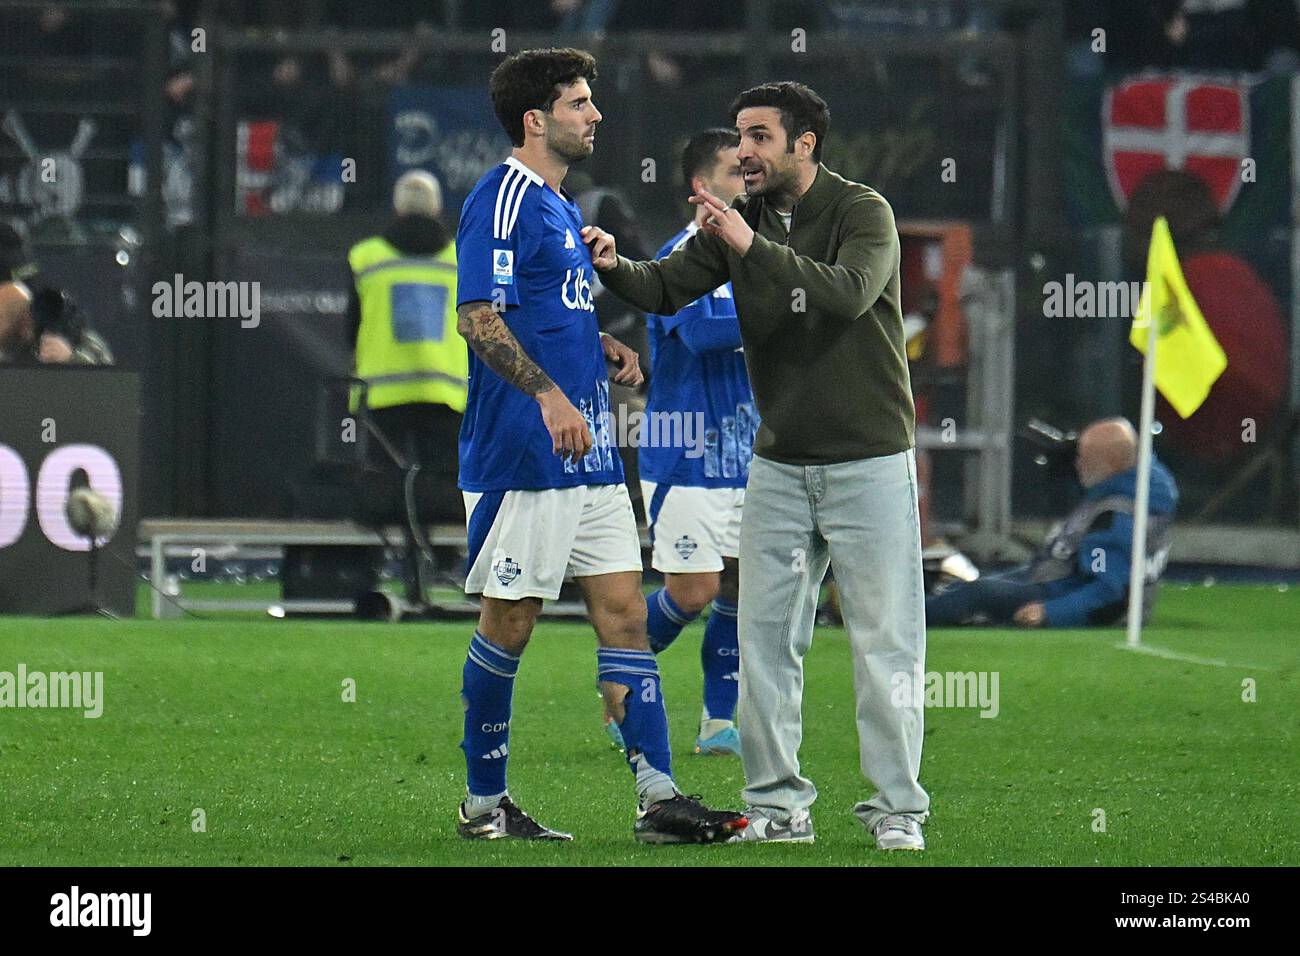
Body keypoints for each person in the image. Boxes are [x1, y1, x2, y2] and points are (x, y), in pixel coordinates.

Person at [585, 81, 929, 851]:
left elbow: (844, 296)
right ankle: (777, 807)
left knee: (886, 641)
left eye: (760, 136)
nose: (744, 150)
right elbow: (666, 288)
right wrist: (614, 264)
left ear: (805, 144)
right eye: (741, 135)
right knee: (765, 641)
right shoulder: (740, 223)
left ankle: (897, 810)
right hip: (776, 460)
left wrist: (746, 246)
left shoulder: (861, 212)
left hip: (868, 457)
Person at [451, 47, 746, 844]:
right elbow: (477, 315)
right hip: (522, 454)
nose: (596, 114)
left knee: (623, 613)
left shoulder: (557, 204)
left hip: (586, 454)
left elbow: (544, 312)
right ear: (536, 119)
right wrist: (548, 392)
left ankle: (659, 799)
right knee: (509, 621)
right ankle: (484, 807)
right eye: (581, 102)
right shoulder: (502, 197)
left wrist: (596, 352)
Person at [612, 128, 753, 759]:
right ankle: (620, 683)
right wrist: (787, 312)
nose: (747, 179)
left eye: (751, 169)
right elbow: (698, 333)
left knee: (743, 590)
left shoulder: (760, 256)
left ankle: (717, 721)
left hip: (747, 452)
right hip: (685, 449)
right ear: (702, 186)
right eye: (733, 170)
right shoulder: (682, 256)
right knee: (693, 590)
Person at [927, 418, 1179, 628]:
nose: (1077, 464)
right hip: (1054, 580)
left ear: (1111, 464)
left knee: (976, 592)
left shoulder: (1113, 516)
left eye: (1083, 457)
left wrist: (1051, 612)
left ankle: (908, 618)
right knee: (973, 582)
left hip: (1060, 591)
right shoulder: (1135, 488)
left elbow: (1109, 591)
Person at [346, 169, 467, 524]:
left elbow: (351, 327)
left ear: (396, 209)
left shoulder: (366, 257)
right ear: (437, 209)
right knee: (445, 483)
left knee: (381, 485)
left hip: (383, 393)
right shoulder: (460, 258)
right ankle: (441, 560)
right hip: (444, 391)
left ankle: (373, 566)